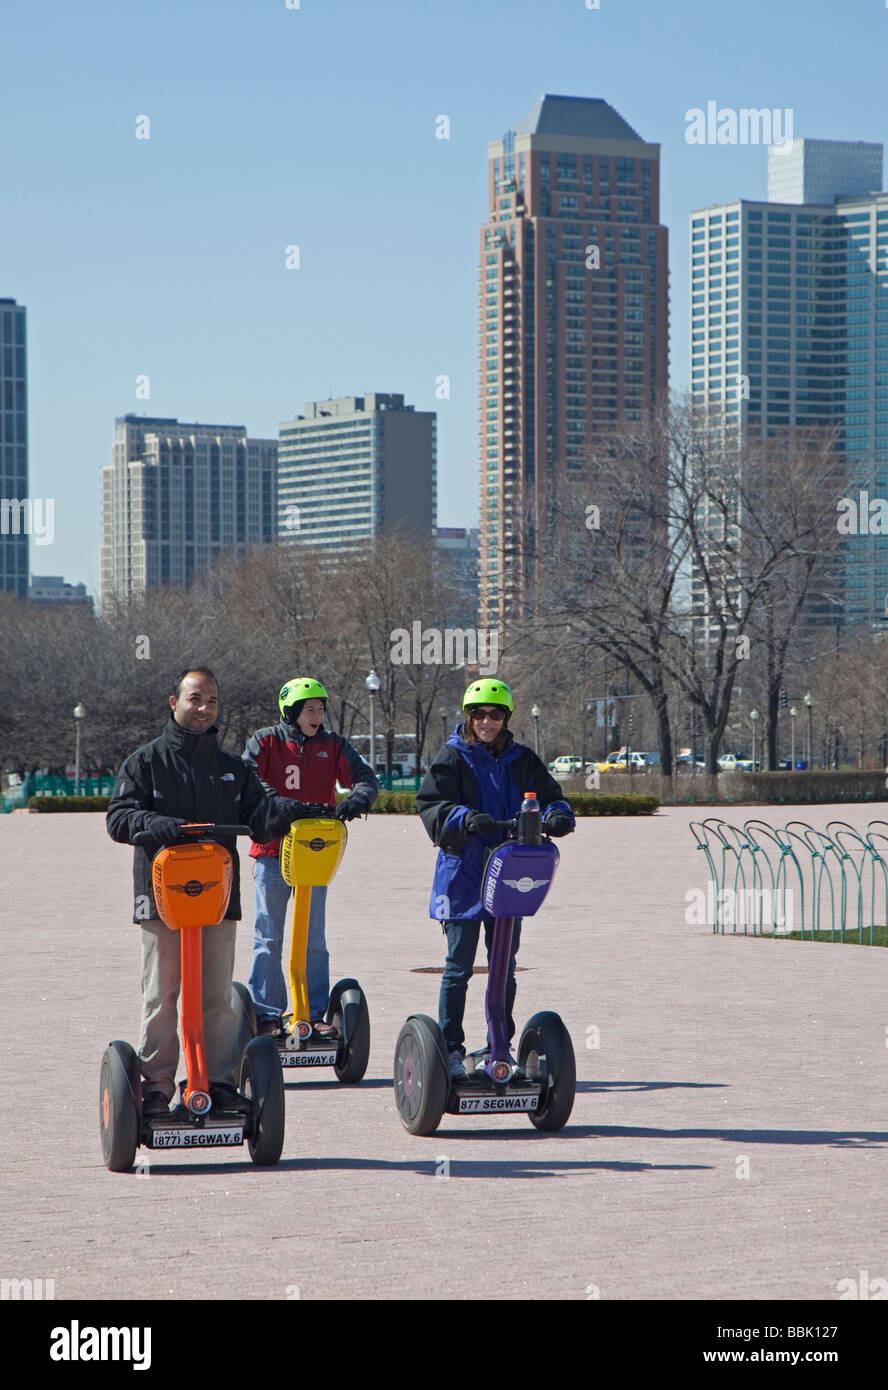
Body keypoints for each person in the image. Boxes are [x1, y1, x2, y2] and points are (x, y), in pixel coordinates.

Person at [106, 667, 308, 1116]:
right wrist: (149, 823)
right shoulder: (146, 762)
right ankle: (157, 1088)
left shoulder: (232, 768)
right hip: (163, 898)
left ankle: (218, 1083)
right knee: (161, 996)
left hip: (218, 898)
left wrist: (287, 812)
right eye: (195, 699)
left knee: (217, 997)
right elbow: (118, 817)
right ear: (174, 703)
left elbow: (259, 814)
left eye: (212, 701)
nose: (204, 709)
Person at [416, 678, 575, 1079]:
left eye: (496, 715)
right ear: (469, 717)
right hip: (463, 873)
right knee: (458, 966)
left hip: (509, 871)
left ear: (506, 718)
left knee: (505, 964)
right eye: (480, 714)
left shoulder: (521, 759)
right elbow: (431, 804)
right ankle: (450, 1049)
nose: (488, 721)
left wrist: (558, 814)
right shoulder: (452, 757)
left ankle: (498, 1043)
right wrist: (464, 818)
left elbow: (552, 794)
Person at [242, 676, 378, 1036]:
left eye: (321, 709)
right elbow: (247, 780)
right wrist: (281, 804)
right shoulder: (265, 741)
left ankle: (315, 1012)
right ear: (292, 711)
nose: (318, 715)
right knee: (268, 936)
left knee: (313, 937)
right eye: (310, 709)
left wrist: (358, 798)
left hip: (315, 853)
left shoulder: (333, 745)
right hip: (272, 852)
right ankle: (267, 1013)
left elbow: (364, 776)